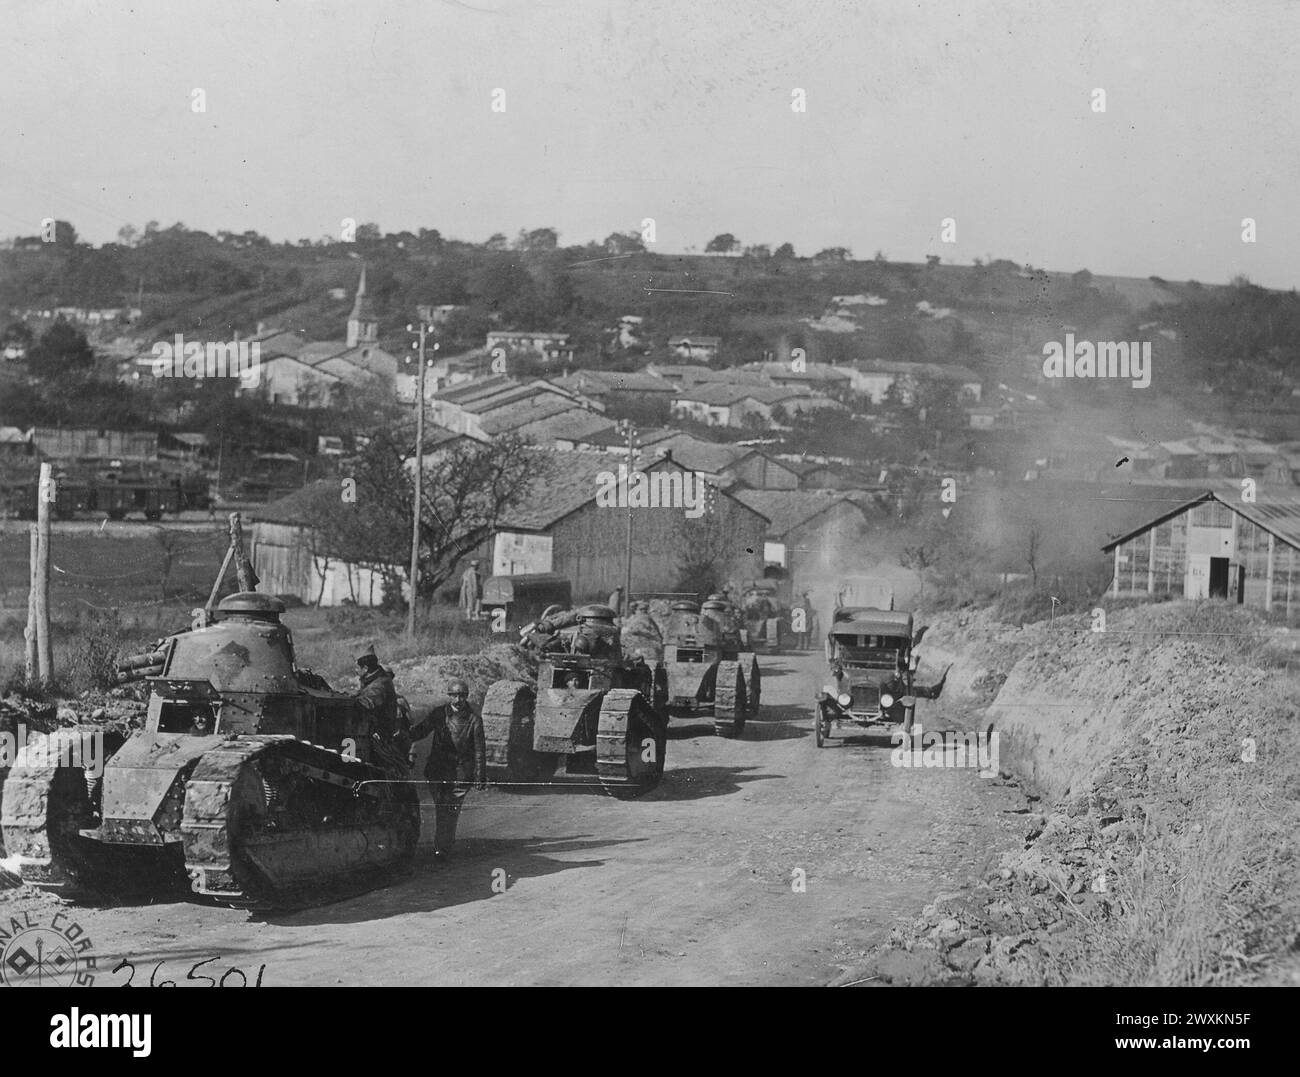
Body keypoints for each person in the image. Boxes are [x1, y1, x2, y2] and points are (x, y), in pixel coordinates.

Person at [408, 678, 487, 860]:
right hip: (437, 769)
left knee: (450, 811)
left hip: (460, 772)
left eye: (462, 696)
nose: (458, 700)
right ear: (449, 696)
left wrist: (480, 776)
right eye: (454, 695)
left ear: (466, 696)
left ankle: (442, 849)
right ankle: (442, 846)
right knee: (441, 809)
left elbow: (480, 751)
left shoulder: (474, 720)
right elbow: (421, 731)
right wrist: (402, 734)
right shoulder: (439, 714)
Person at [353, 646, 408, 770]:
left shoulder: (379, 685)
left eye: (357, 668)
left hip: (379, 742)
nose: (356, 671)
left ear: (365, 668)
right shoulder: (373, 680)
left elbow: (365, 703)